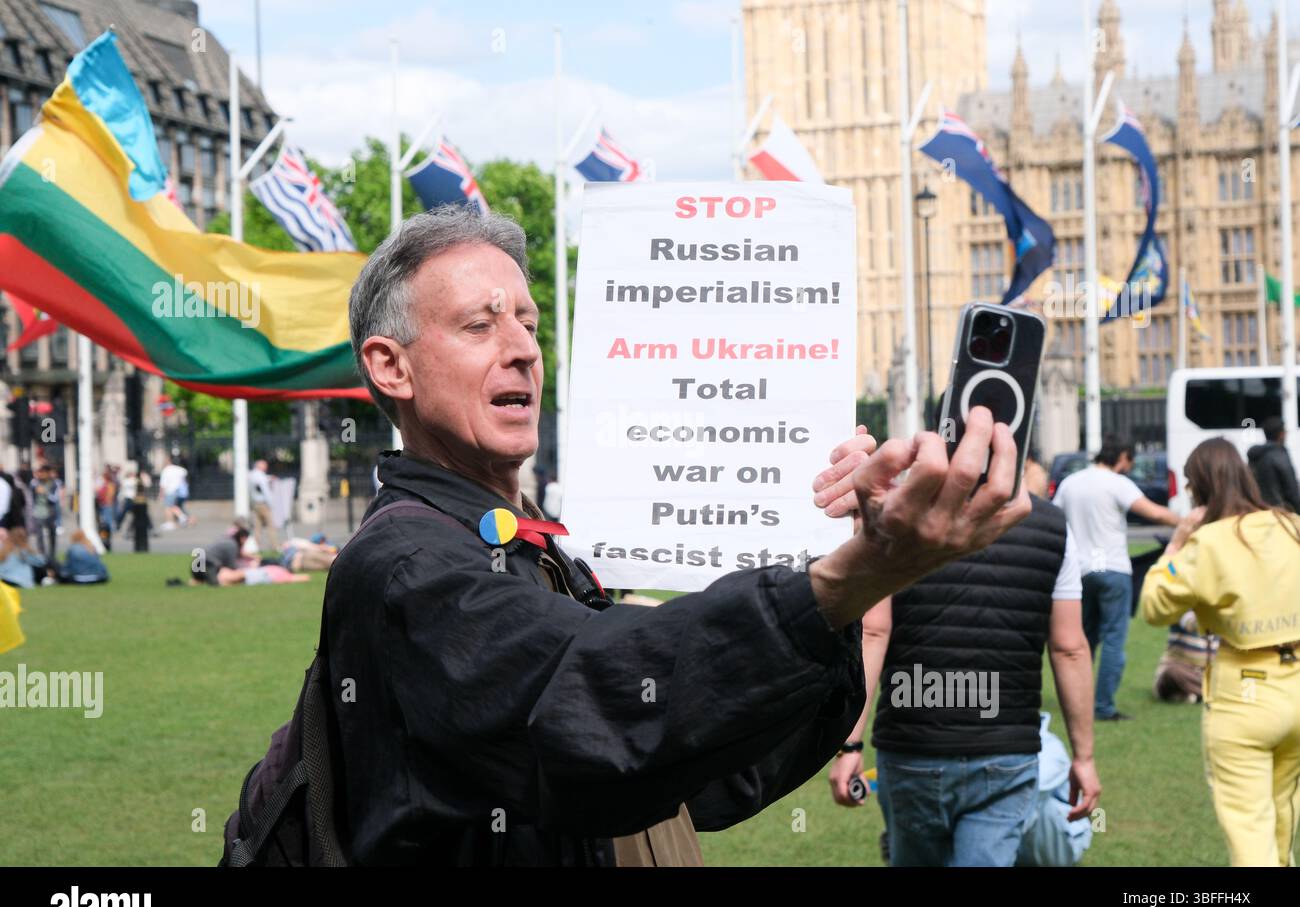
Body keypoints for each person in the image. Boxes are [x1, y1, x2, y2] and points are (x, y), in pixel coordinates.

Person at [284, 206, 1031, 867]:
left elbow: (701, 772)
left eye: (529, 324)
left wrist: (843, 566)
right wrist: (852, 579)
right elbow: (590, 700)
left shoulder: (536, 553)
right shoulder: (404, 567)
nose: (523, 350)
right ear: (391, 367)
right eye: (481, 326)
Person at [827, 450, 1100, 867]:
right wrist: (1083, 757)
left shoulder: (900, 518)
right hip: (1006, 751)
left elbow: (874, 631)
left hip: (912, 746)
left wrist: (849, 744)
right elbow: (1069, 648)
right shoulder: (1051, 525)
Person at [1140, 437, 1300, 866]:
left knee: (1250, 831)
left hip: (1243, 694)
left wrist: (1175, 544)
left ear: (1198, 488)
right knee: (1283, 820)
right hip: (1296, 686)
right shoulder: (1291, 526)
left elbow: (1154, 606)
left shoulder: (1207, 543)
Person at [1052, 435, 1179, 721]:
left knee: (1083, 643)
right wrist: (1187, 523)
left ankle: (1076, 702)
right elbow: (1154, 512)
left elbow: (1055, 517)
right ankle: (1103, 706)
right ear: (1122, 456)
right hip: (1111, 567)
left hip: (1080, 572)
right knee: (1113, 639)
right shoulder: (1117, 483)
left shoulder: (1070, 482)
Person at [1152, 612, 1218, 703]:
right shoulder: (1182, 607)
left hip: (1205, 673)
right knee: (1171, 673)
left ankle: (1194, 694)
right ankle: (1211, 693)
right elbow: (1191, 624)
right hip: (1183, 671)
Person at [1247, 416, 1300, 513]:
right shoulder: (1279, 455)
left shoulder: (1255, 456)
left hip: (1259, 511)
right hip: (1281, 513)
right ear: (1281, 434)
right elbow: (1291, 490)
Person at [29, 464, 61, 561]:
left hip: (50, 512)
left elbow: (55, 498)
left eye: (43, 473)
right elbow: (31, 496)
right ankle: (41, 555)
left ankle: (52, 556)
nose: (41, 475)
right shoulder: (35, 483)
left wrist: (45, 493)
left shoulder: (54, 484)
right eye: (40, 473)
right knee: (39, 536)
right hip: (38, 512)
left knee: (52, 535)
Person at [247, 459, 278, 549]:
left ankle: (256, 546)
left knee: (257, 527)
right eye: (264, 466)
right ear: (260, 466)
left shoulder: (251, 475)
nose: (266, 468)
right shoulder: (261, 477)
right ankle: (275, 546)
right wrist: (271, 504)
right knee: (271, 526)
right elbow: (266, 491)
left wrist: (269, 477)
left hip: (255, 504)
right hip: (264, 504)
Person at [158, 455, 189, 530]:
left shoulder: (166, 470)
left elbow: (163, 484)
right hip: (177, 491)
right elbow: (184, 474)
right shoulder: (179, 469)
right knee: (172, 506)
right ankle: (182, 517)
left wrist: (161, 494)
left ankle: (170, 523)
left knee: (168, 507)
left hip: (169, 490)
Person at [95, 465, 118, 550]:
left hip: (106, 504)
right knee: (105, 520)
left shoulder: (110, 484)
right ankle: (106, 533)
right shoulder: (105, 484)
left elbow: (110, 495)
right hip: (103, 504)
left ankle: (110, 532)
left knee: (108, 520)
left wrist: (107, 501)